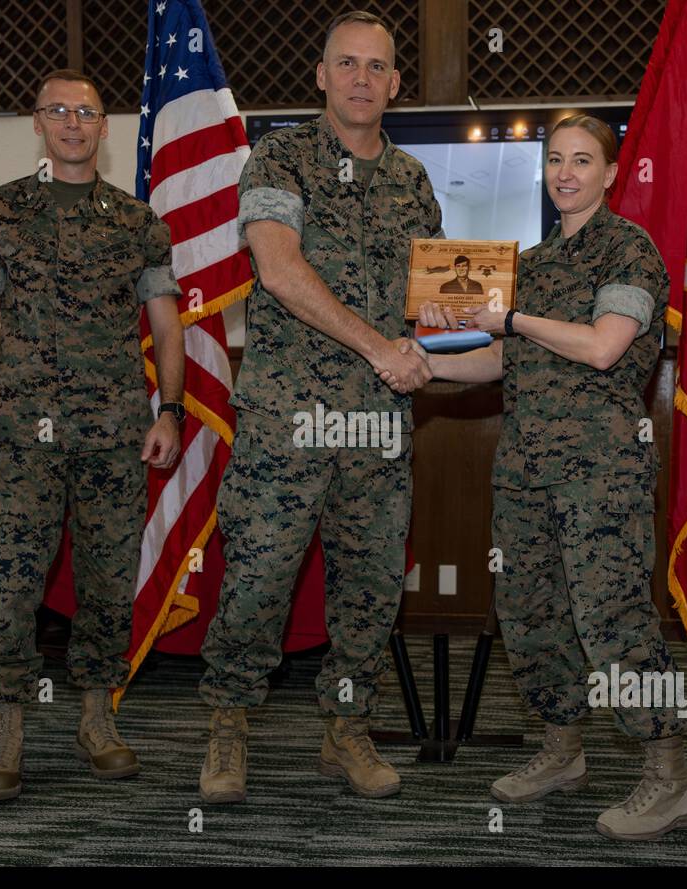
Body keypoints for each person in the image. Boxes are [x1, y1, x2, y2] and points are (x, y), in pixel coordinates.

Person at [416, 112, 687, 841]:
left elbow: (605, 347)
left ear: (611, 173)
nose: (567, 173)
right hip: (524, 471)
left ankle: (671, 774)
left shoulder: (628, 251)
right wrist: (422, 362)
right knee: (531, 614)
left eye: (583, 160)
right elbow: (502, 358)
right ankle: (561, 750)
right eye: (556, 161)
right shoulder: (535, 264)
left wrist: (512, 318)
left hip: (599, 474)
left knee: (614, 620)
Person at [196, 11, 439, 803]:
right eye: (348, 64)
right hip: (287, 422)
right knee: (260, 578)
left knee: (369, 587)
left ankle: (346, 729)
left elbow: (432, 301)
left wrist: (482, 327)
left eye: (377, 67)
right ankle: (229, 728)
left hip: (380, 425)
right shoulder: (281, 157)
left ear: (396, 84)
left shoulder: (412, 180)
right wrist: (379, 346)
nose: (362, 79)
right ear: (323, 75)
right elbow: (278, 268)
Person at [0, 69, 185, 803]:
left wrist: (170, 409)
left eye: (86, 112)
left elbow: (166, 324)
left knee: (110, 582)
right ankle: (6, 729)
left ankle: (96, 719)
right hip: (19, 433)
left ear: (104, 126)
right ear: (38, 122)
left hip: (115, 432)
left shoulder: (138, 223)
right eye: (59, 110)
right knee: (11, 586)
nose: (73, 123)